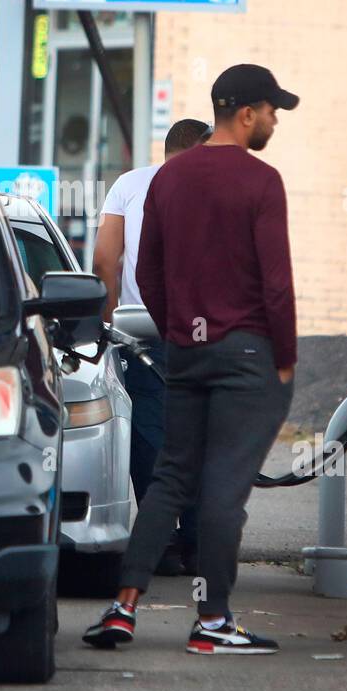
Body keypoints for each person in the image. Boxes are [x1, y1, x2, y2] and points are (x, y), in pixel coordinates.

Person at [83, 64, 298, 655]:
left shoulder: (167, 181)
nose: (275, 122)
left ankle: (123, 607)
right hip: (248, 353)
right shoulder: (262, 182)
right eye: (272, 111)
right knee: (225, 490)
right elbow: (276, 284)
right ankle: (213, 622)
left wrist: (178, 328)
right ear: (247, 114)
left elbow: (143, 268)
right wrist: (284, 358)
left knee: (170, 480)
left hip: (185, 351)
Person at [93, 118, 210, 575]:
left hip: (142, 335)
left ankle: (160, 542)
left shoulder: (129, 184)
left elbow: (105, 259)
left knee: (149, 434)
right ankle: (199, 545)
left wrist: (108, 324)